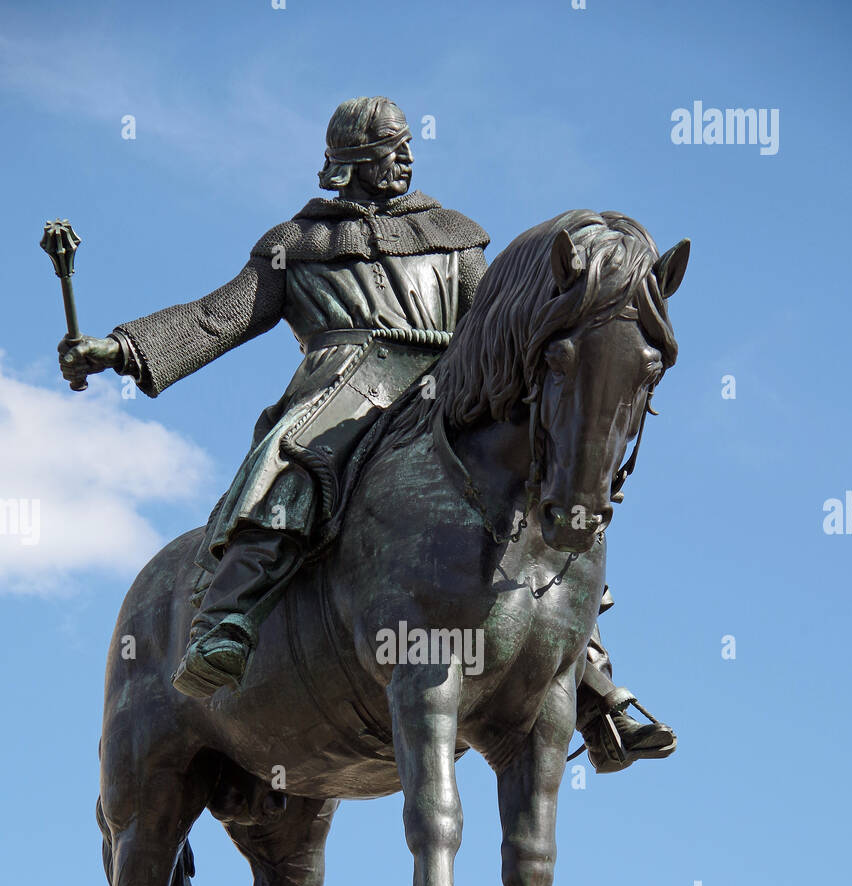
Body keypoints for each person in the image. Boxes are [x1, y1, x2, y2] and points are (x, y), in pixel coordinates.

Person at [58, 95, 674, 772]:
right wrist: (119, 348)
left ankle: (590, 679)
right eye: (387, 147)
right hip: (344, 384)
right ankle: (226, 620)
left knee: (533, 486)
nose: (404, 157)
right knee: (294, 467)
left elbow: (492, 316)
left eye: (407, 144)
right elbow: (218, 318)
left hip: (450, 384)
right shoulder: (296, 245)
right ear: (346, 160)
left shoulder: (452, 234)